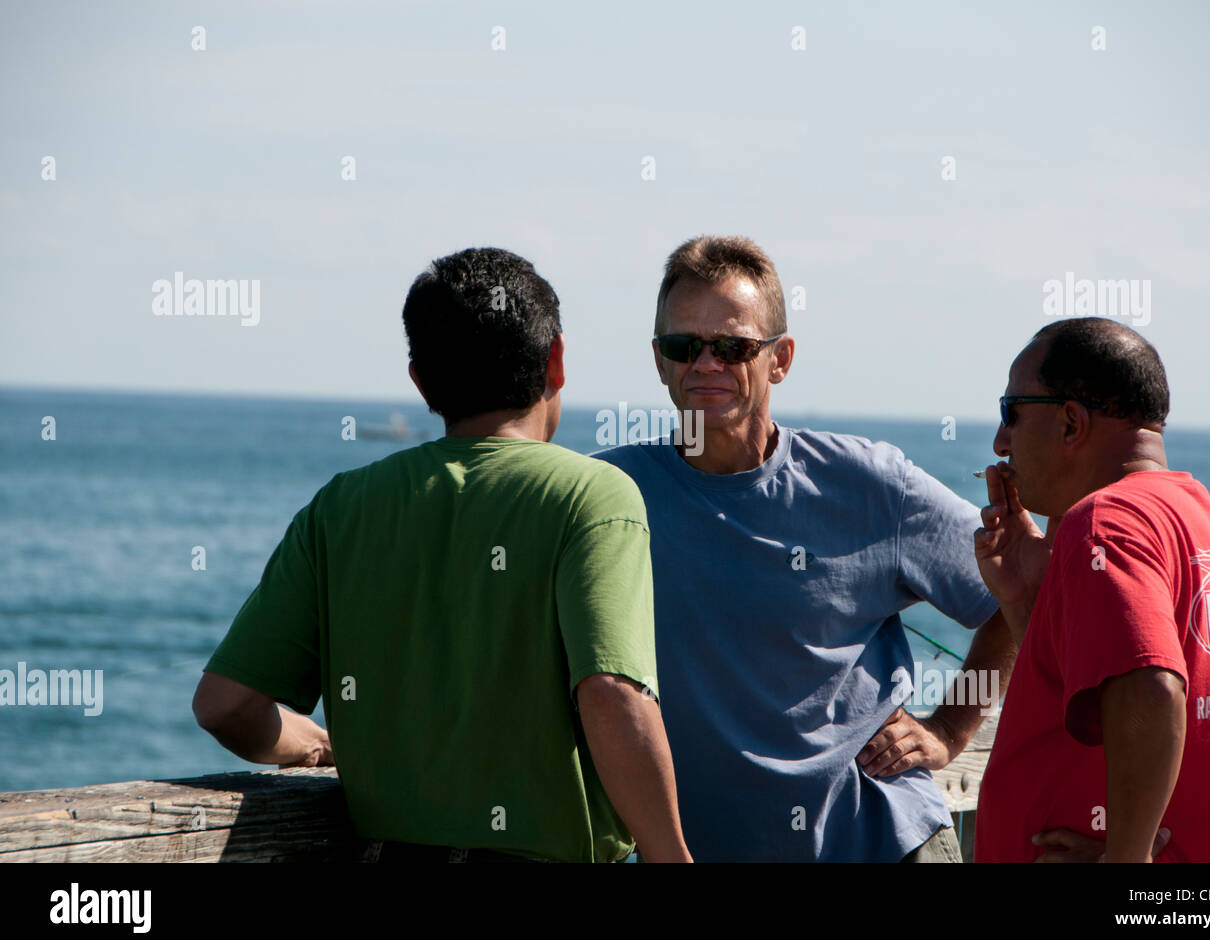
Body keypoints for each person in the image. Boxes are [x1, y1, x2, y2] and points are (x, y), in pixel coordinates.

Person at [192, 247, 691, 863]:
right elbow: (614, 693)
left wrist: (312, 744)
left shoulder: (342, 507)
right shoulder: (592, 493)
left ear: (421, 383)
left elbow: (224, 705)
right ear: (555, 359)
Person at [595, 235, 1016, 862]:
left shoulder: (871, 482)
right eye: (684, 347)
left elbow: (1018, 593)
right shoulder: (607, 496)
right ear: (659, 361)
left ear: (779, 358)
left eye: (733, 347)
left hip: (885, 842)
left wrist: (948, 730)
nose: (705, 364)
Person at [972, 317, 1210, 862]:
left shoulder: (1106, 521)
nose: (1000, 441)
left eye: (1010, 412)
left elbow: (1154, 689)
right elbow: (1118, 701)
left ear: (1070, 422)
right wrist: (1026, 601)